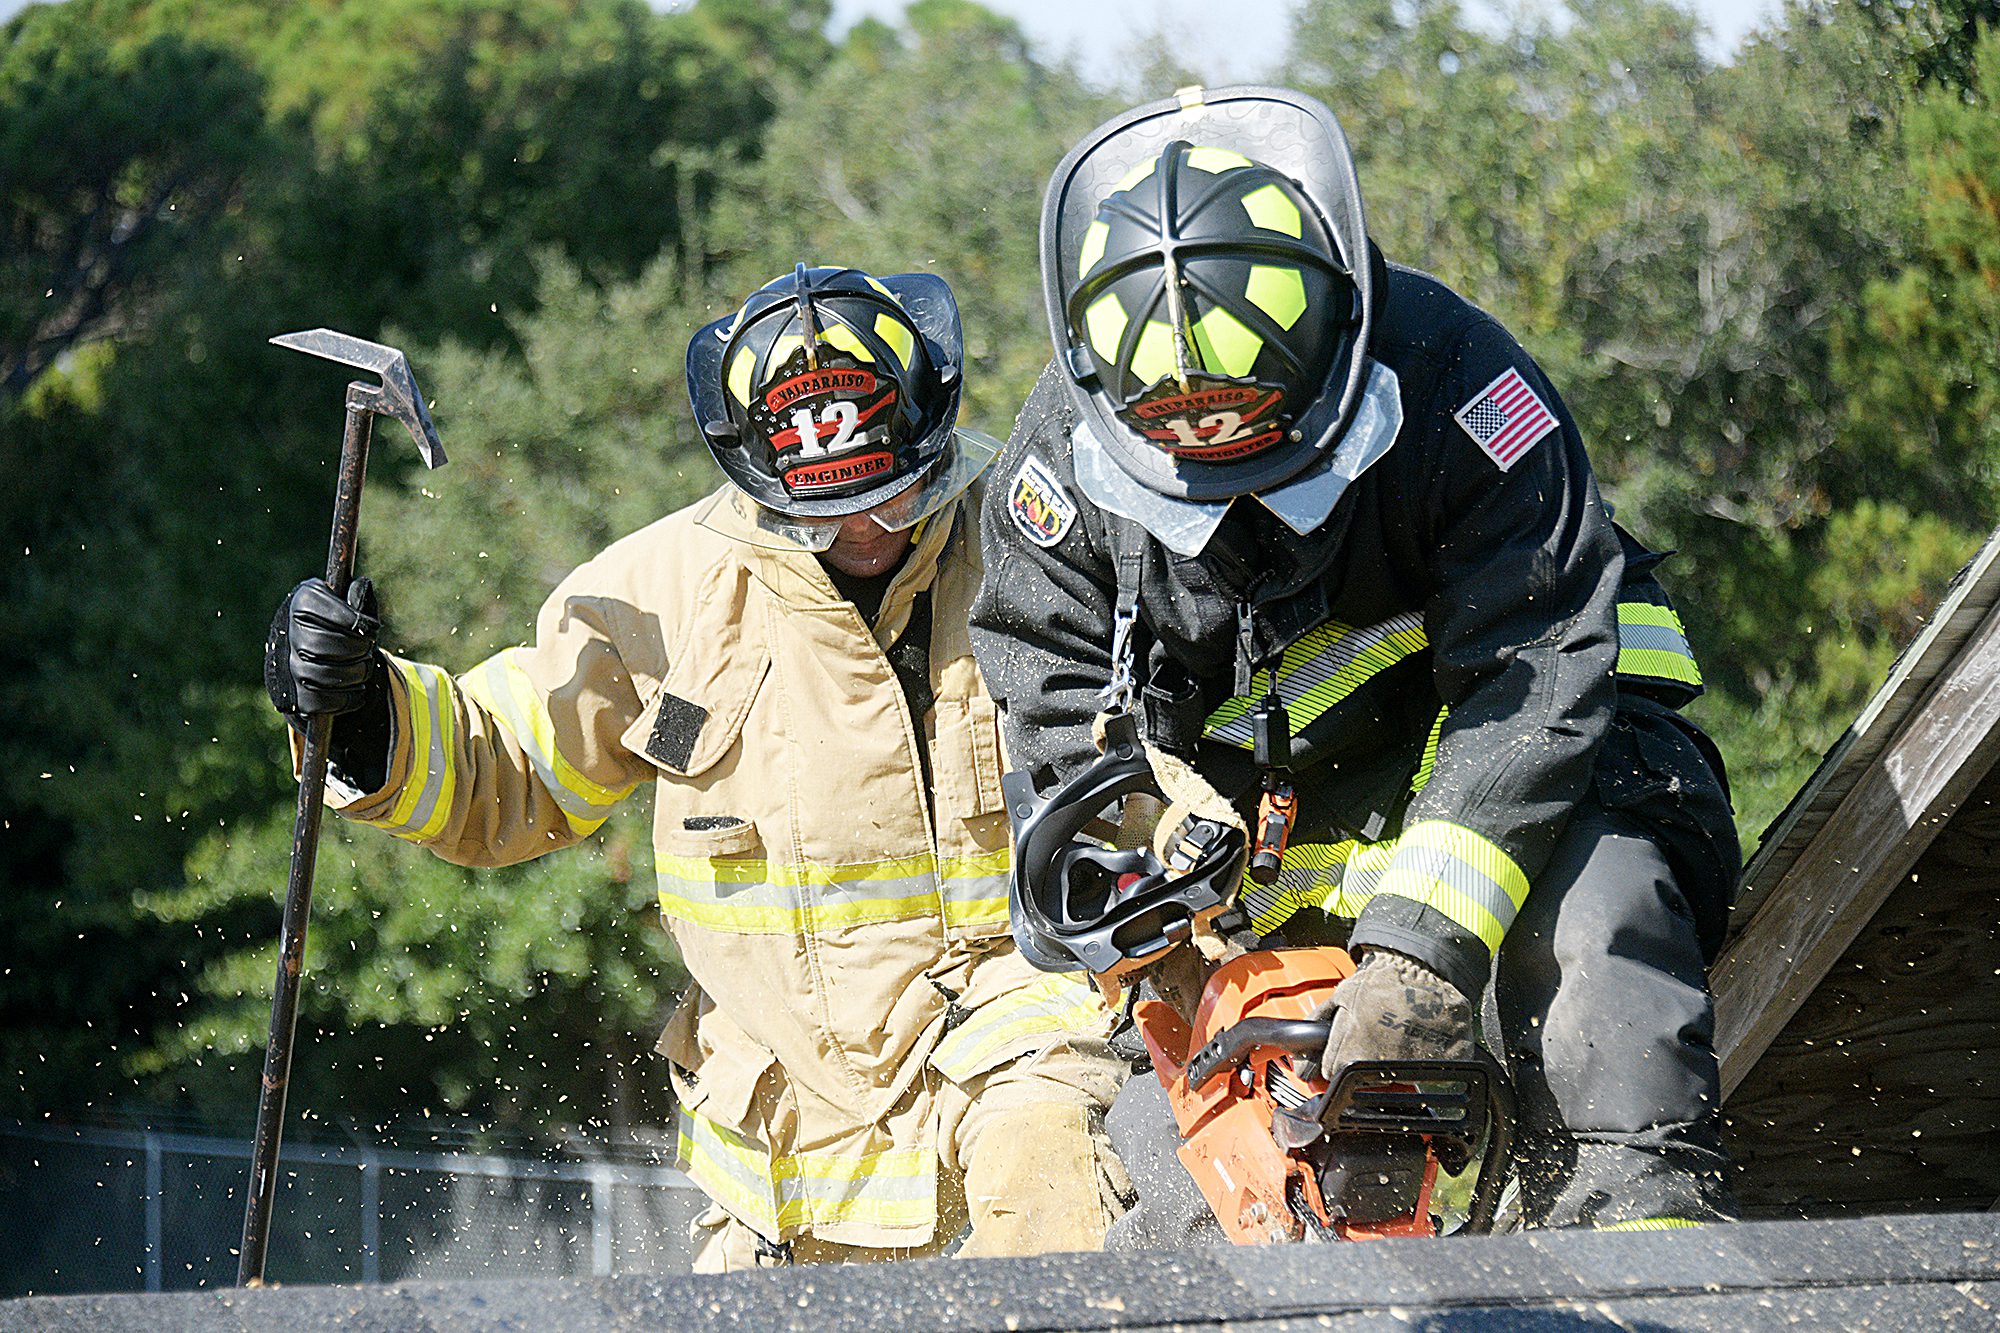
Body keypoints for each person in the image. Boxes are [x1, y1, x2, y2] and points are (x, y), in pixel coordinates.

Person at [969, 87, 1742, 1234]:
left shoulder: (1459, 386)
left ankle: (1647, 1254)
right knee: (1190, 1165)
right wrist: (1170, 952)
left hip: (1532, 785)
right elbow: (1058, 707)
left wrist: (1422, 953)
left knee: (1594, 919)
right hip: (1258, 850)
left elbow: (1533, 674)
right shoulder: (1056, 468)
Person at [265, 265, 1130, 1270]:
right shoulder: (662, 596)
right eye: (821, 512)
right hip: (787, 1128)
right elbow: (511, 766)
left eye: (891, 496)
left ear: (931, 438)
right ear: (757, 475)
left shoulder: (1035, 546)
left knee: (1049, 1181)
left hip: (1017, 1035)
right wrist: (363, 714)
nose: (862, 530)